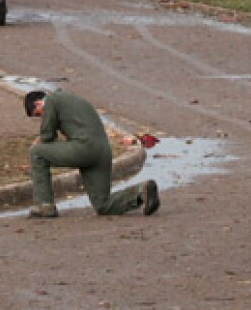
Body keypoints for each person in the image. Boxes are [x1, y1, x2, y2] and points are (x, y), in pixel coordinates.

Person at [23, 89, 159, 218]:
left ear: (38, 103)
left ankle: (45, 205)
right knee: (103, 205)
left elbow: (47, 135)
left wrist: (37, 142)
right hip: (102, 152)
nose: (41, 117)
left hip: (84, 148)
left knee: (37, 153)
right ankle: (141, 191)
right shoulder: (70, 100)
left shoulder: (51, 100)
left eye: (38, 114)